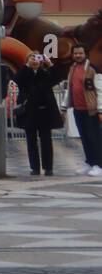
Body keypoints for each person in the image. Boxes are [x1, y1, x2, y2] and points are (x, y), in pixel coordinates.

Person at [15, 52, 63, 176]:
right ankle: (34, 167)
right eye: (32, 58)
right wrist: (27, 66)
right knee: (31, 141)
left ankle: (48, 167)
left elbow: (57, 78)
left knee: (46, 140)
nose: (35, 60)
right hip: (29, 111)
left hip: (44, 110)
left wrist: (50, 64)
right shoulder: (25, 73)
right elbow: (18, 80)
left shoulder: (45, 73)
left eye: (38, 58)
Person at [65, 44, 102, 176]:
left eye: (80, 53)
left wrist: (100, 110)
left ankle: (98, 164)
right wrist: (65, 106)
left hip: (91, 110)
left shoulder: (92, 69)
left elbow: (99, 90)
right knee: (84, 138)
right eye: (75, 53)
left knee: (94, 138)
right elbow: (69, 89)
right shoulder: (73, 68)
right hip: (77, 109)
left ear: (85, 54)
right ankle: (89, 162)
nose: (78, 55)